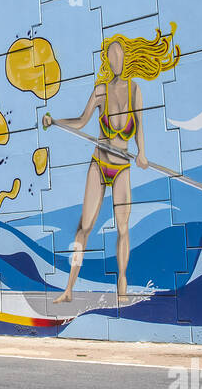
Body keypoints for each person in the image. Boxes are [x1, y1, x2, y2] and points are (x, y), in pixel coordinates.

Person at [43, 27, 180, 301]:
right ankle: (69, 289)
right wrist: (55, 121)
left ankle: (122, 284)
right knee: (84, 227)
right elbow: (81, 122)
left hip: (121, 168)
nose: (116, 61)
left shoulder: (134, 91)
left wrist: (142, 153)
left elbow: (139, 127)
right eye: (111, 56)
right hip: (99, 163)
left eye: (119, 56)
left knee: (123, 228)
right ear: (107, 60)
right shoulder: (100, 92)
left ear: (126, 59)